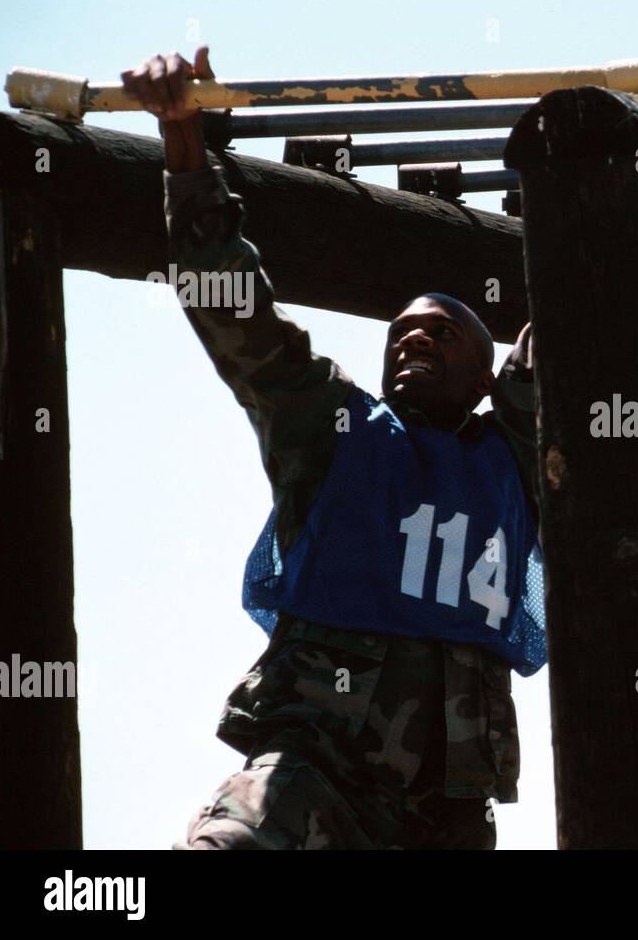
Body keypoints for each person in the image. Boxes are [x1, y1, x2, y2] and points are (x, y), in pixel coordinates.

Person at [122, 47, 544, 849]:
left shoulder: (509, 463)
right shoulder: (335, 428)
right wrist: (185, 145)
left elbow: (565, 327)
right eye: (403, 331)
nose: (415, 337)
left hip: (441, 818)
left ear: (487, 376)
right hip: (312, 775)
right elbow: (237, 316)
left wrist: (618, 194)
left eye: (443, 331)